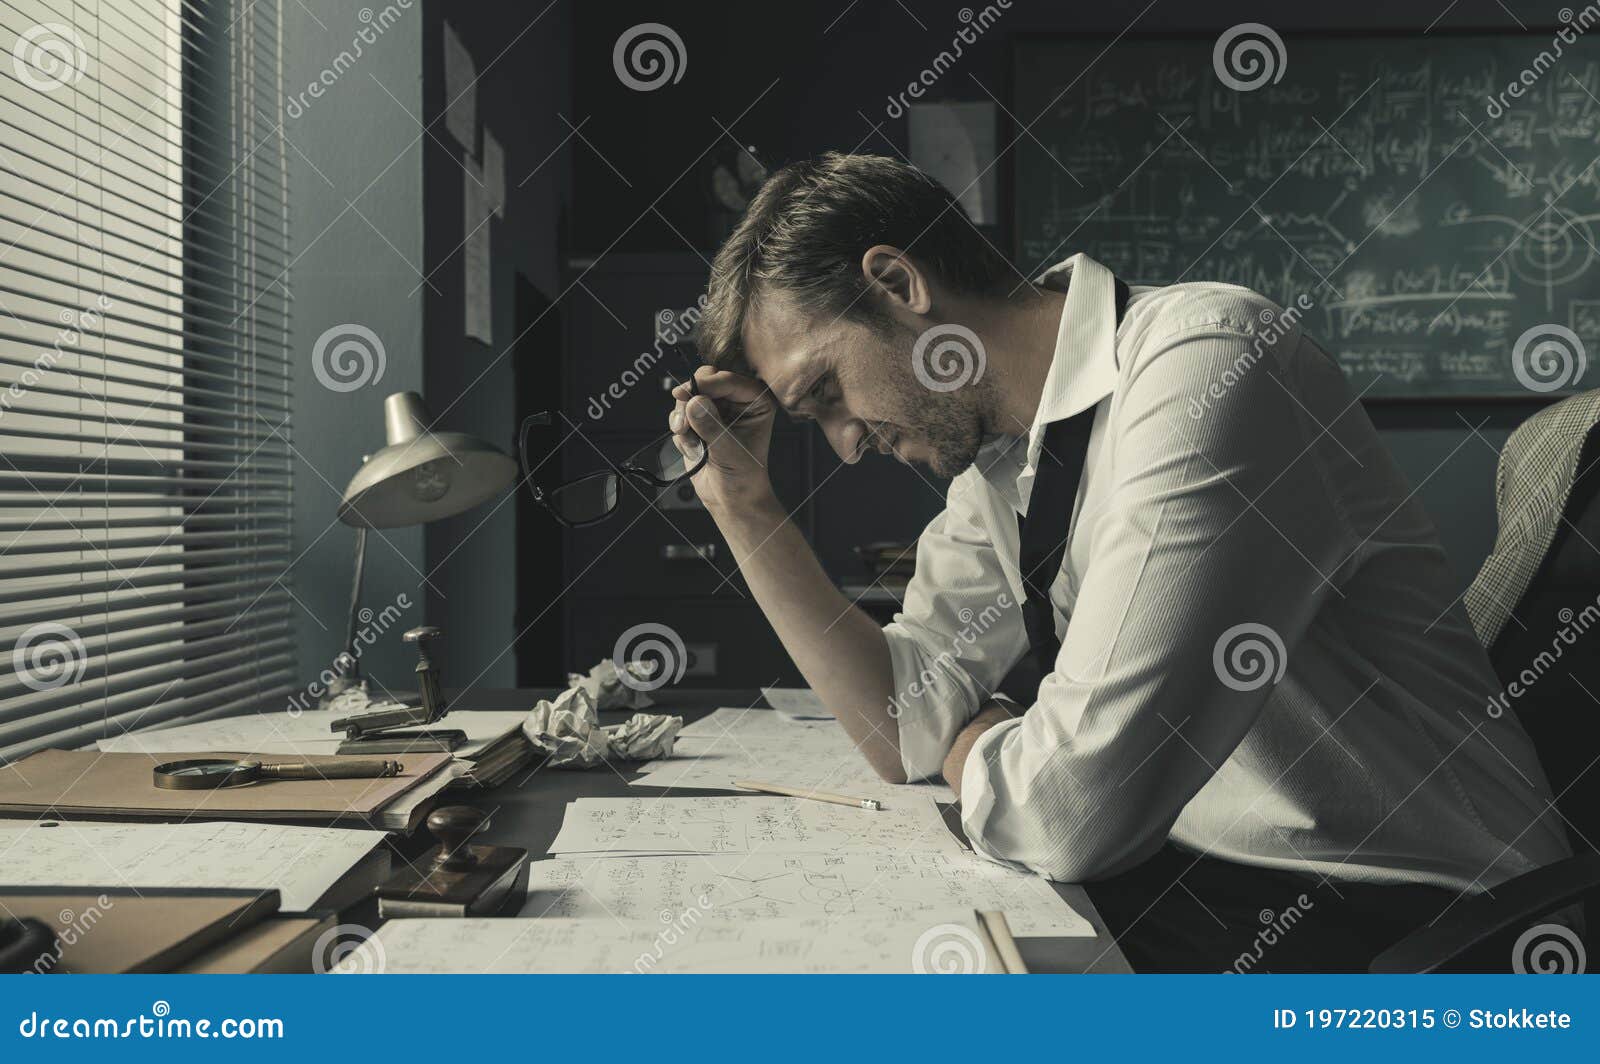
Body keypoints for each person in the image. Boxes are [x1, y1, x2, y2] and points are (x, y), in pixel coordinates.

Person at [666, 153, 1569, 971]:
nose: (845, 444)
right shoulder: (1005, 460)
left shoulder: (1209, 365)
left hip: (1420, 922)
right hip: (1211, 879)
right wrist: (742, 506)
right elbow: (903, 728)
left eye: (827, 391)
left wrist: (978, 739)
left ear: (899, 284)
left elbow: (1071, 813)